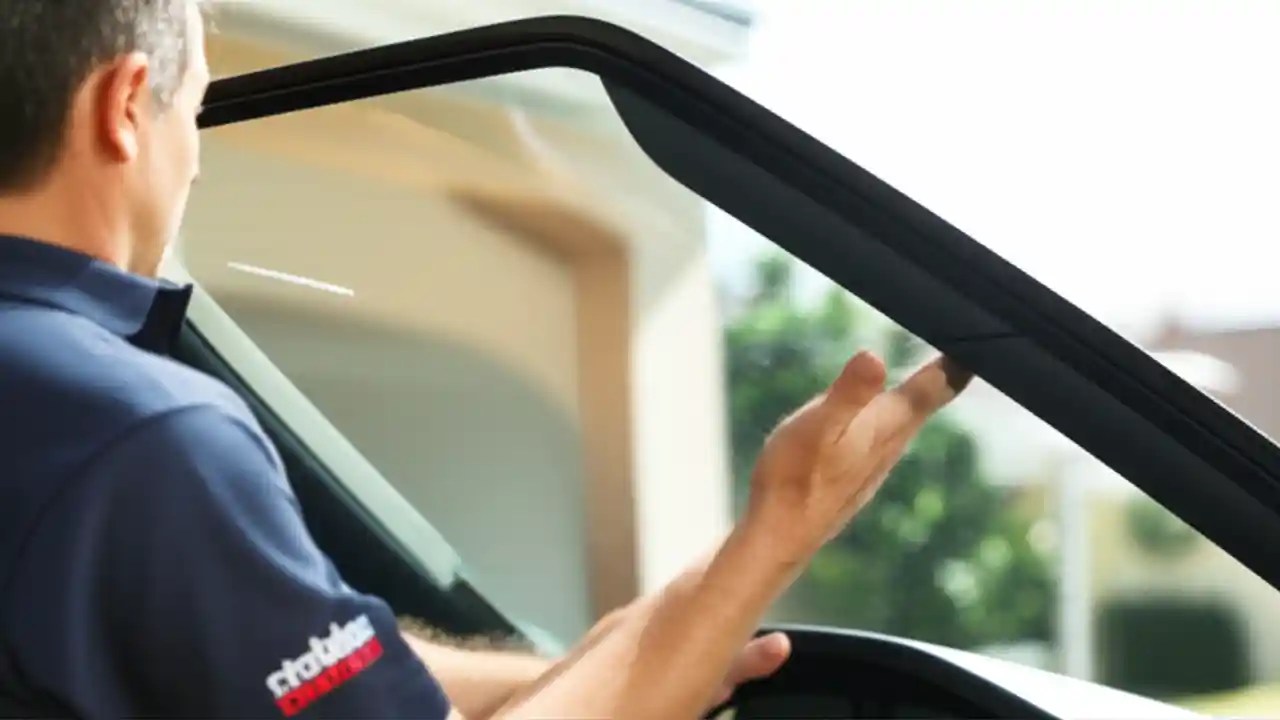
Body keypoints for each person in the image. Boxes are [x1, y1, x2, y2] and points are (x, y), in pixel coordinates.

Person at [0, 1, 972, 718]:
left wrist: (649, 645)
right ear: (126, 105)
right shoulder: (138, 437)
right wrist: (783, 526)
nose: (197, 159)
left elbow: (266, 652)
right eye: (193, 112)